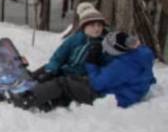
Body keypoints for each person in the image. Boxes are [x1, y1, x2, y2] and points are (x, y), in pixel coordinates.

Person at [15, 31, 156, 110]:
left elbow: (97, 84)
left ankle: (27, 99)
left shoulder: (123, 65)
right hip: (127, 91)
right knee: (76, 81)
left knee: (63, 83)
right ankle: (49, 102)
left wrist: (91, 62)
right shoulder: (143, 53)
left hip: (115, 99)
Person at [33, 2, 110, 82]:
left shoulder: (105, 43)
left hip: (80, 80)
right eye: (92, 25)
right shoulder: (75, 39)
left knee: (47, 87)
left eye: (99, 25)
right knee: (38, 76)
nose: (96, 29)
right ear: (84, 27)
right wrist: (50, 70)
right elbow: (59, 57)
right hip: (65, 71)